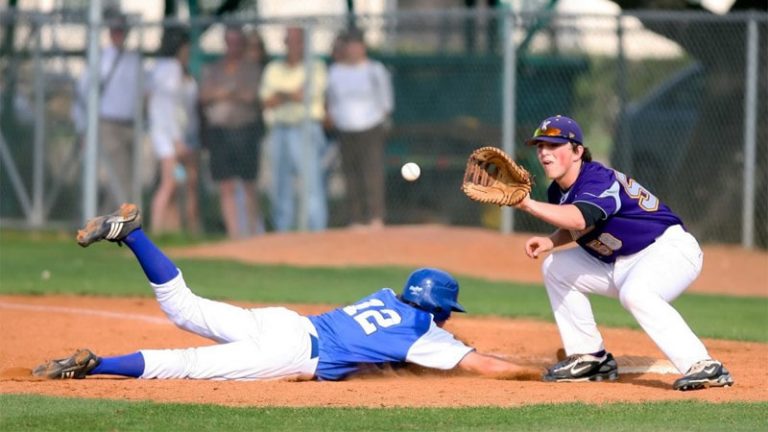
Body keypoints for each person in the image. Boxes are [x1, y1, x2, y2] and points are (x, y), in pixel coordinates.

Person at [32, 203, 539, 382]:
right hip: (291, 352)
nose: (447, 322)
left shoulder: (387, 296)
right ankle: (96, 365)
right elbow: (483, 365)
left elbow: (384, 350)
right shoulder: (422, 333)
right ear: (437, 310)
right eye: (446, 313)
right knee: (184, 363)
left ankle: (133, 234)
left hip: (285, 321)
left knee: (183, 307)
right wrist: (539, 373)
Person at [514, 115, 734, 391]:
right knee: (555, 267)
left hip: (668, 250)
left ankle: (703, 365)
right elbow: (581, 225)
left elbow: (582, 218)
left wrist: (527, 205)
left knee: (637, 294)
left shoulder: (597, 179)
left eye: (553, 145)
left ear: (577, 151)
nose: (544, 152)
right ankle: (591, 359)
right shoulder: (557, 191)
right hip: (621, 261)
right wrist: (551, 241)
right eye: (540, 146)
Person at [73, 8, 143, 211]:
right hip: (108, 124)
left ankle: (110, 221)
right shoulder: (101, 60)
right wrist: (83, 127)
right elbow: (81, 95)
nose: (119, 35)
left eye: (122, 30)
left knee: (128, 177)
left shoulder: (134, 60)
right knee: (119, 177)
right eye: (115, 30)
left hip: (131, 124)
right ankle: (118, 222)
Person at [260, 27, 328, 232]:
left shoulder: (315, 66)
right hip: (280, 129)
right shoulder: (273, 68)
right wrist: (289, 94)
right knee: (280, 184)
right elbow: (267, 101)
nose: (293, 45)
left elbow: (304, 96)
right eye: (289, 40)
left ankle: (315, 232)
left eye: (298, 40)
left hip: (305, 128)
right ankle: (283, 232)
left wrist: (281, 94)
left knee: (311, 184)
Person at [325, 29, 394, 230]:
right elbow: (331, 100)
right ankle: (355, 219)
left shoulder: (375, 69)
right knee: (350, 173)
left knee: (372, 172)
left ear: (363, 47)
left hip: (370, 126)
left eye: (357, 45)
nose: (353, 50)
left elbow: (386, 101)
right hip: (345, 128)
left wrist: (379, 119)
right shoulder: (336, 71)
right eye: (350, 46)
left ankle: (376, 217)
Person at [199, 26, 263, 239]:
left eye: (237, 42)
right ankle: (235, 235)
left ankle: (253, 233)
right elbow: (205, 95)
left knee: (248, 184)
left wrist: (223, 92)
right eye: (230, 41)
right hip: (220, 133)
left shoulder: (251, 68)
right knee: (225, 184)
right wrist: (230, 91)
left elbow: (250, 96)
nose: (233, 46)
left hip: (244, 131)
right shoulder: (214, 68)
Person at [147, 27, 201, 234]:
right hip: (168, 137)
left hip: (176, 135)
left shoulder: (167, 69)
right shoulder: (170, 69)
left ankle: (174, 229)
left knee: (181, 182)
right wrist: (177, 140)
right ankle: (157, 229)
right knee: (170, 183)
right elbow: (170, 108)